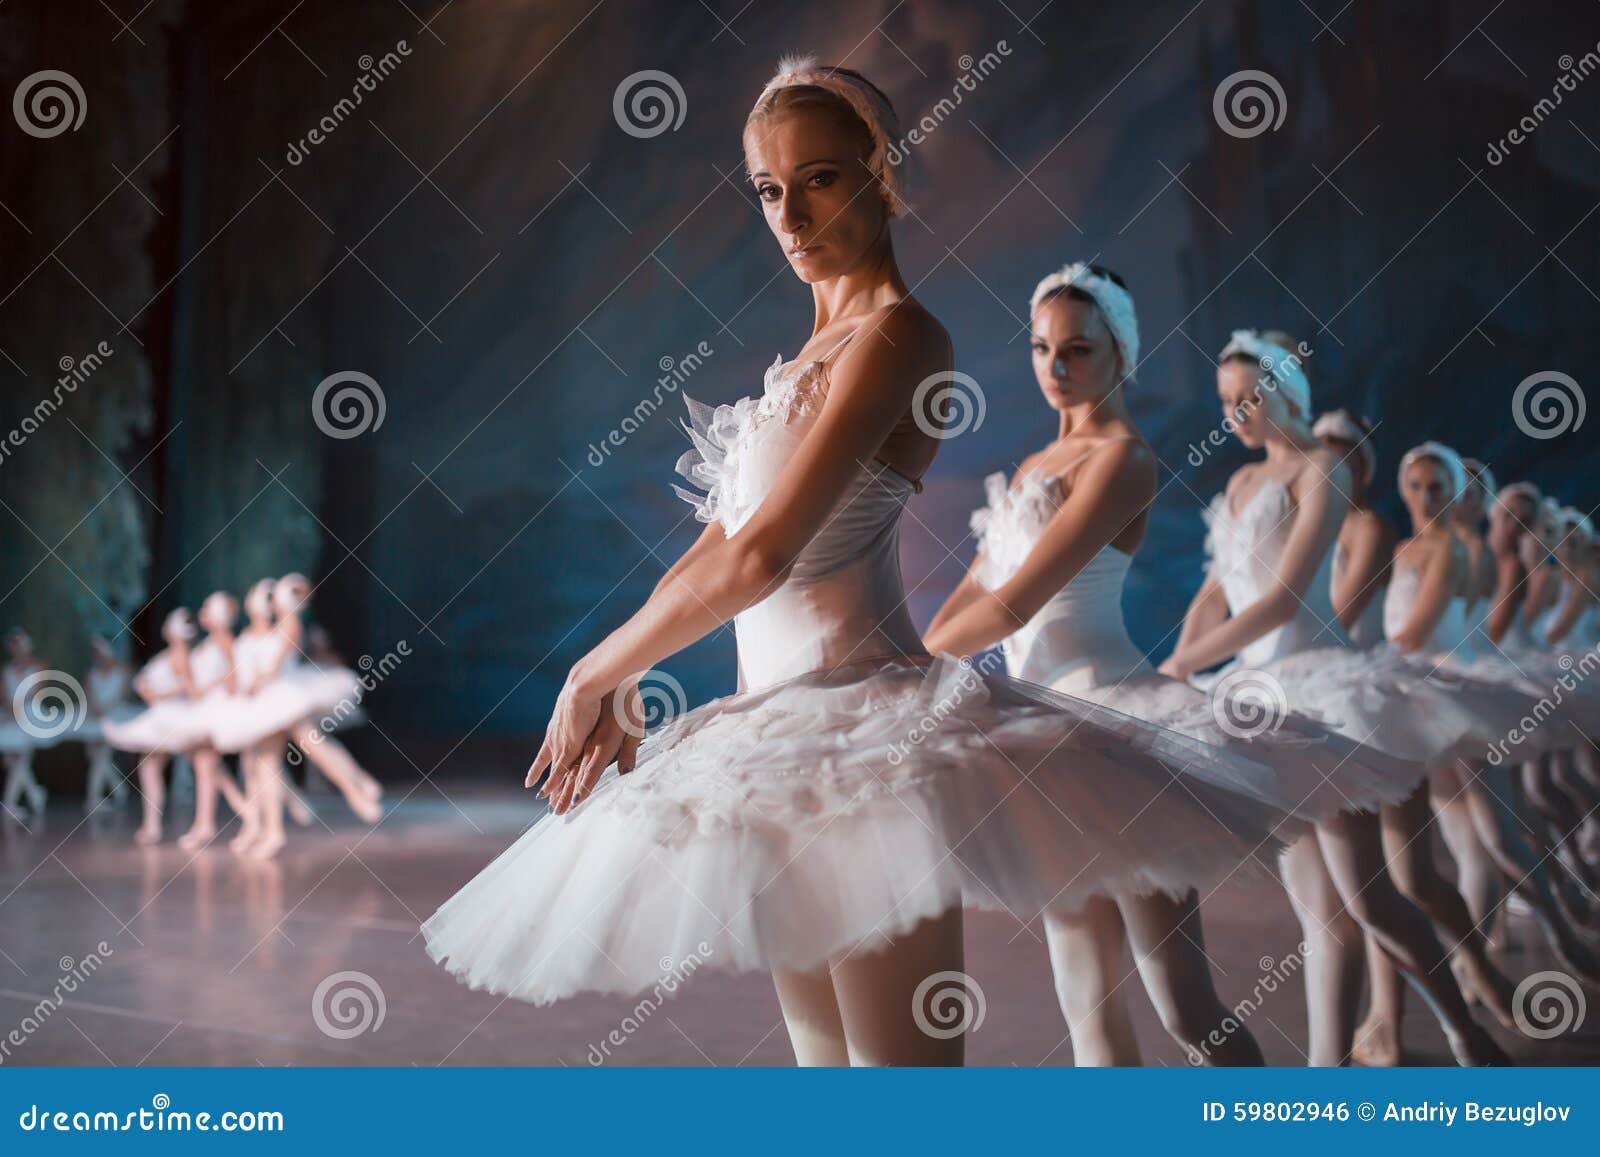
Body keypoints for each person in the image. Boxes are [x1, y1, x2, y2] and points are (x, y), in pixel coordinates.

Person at [422, 57, 1284, 1067]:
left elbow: (765, 554)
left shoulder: (901, 337)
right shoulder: (800, 363)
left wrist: (593, 667)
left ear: (882, 171)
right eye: (768, 189)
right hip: (770, 742)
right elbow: (713, 549)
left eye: (821, 178)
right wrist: (629, 665)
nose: (789, 213)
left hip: (867, 738)